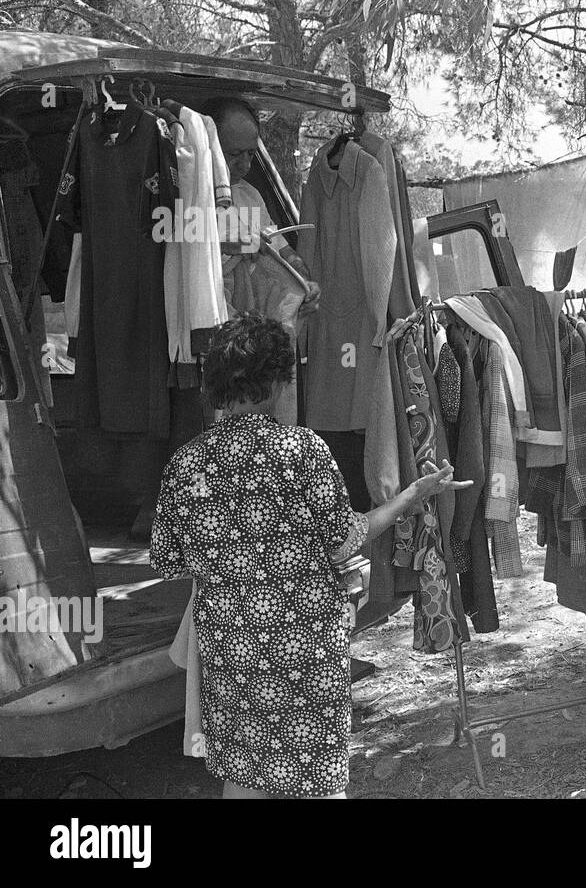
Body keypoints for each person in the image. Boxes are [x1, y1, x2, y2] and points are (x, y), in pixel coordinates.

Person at [149, 312, 471, 798]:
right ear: (277, 380)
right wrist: (410, 496)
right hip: (305, 641)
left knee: (243, 773)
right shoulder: (302, 451)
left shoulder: (187, 461)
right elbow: (346, 538)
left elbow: (168, 560)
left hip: (229, 645)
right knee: (317, 775)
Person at [205, 97, 320, 311]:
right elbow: (184, 252)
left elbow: (283, 252)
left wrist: (305, 284)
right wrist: (232, 245)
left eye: (250, 154)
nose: (245, 165)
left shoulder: (251, 195)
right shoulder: (183, 196)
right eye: (234, 154)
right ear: (207, 144)